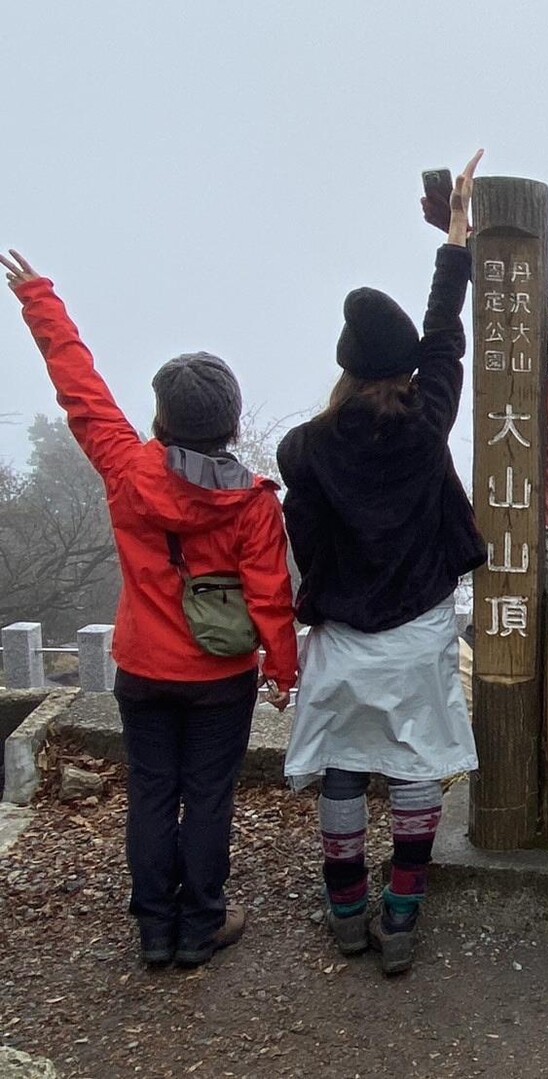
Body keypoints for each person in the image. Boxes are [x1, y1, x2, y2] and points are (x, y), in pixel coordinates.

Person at [2, 249, 297, 969]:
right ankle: (201, 923)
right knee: (208, 796)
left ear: (162, 418)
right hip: (219, 676)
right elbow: (270, 594)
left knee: (153, 792)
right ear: (230, 422)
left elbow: (82, 391)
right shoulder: (253, 503)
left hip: (141, 666)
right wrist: (283, 671)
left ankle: (154, 928)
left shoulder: (126, 469)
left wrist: (40, 299)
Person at [278, 150, 486, 976]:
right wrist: (455, 238)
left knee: (344, 761)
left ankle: (345, 910)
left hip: (344, 634)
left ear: (345, 368)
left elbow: (305, 541)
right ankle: (401, 914)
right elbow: (444, 338)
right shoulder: (426, 419)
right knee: (414, 765)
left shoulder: (305, 448)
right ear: (402, 372)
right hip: (419, 631)